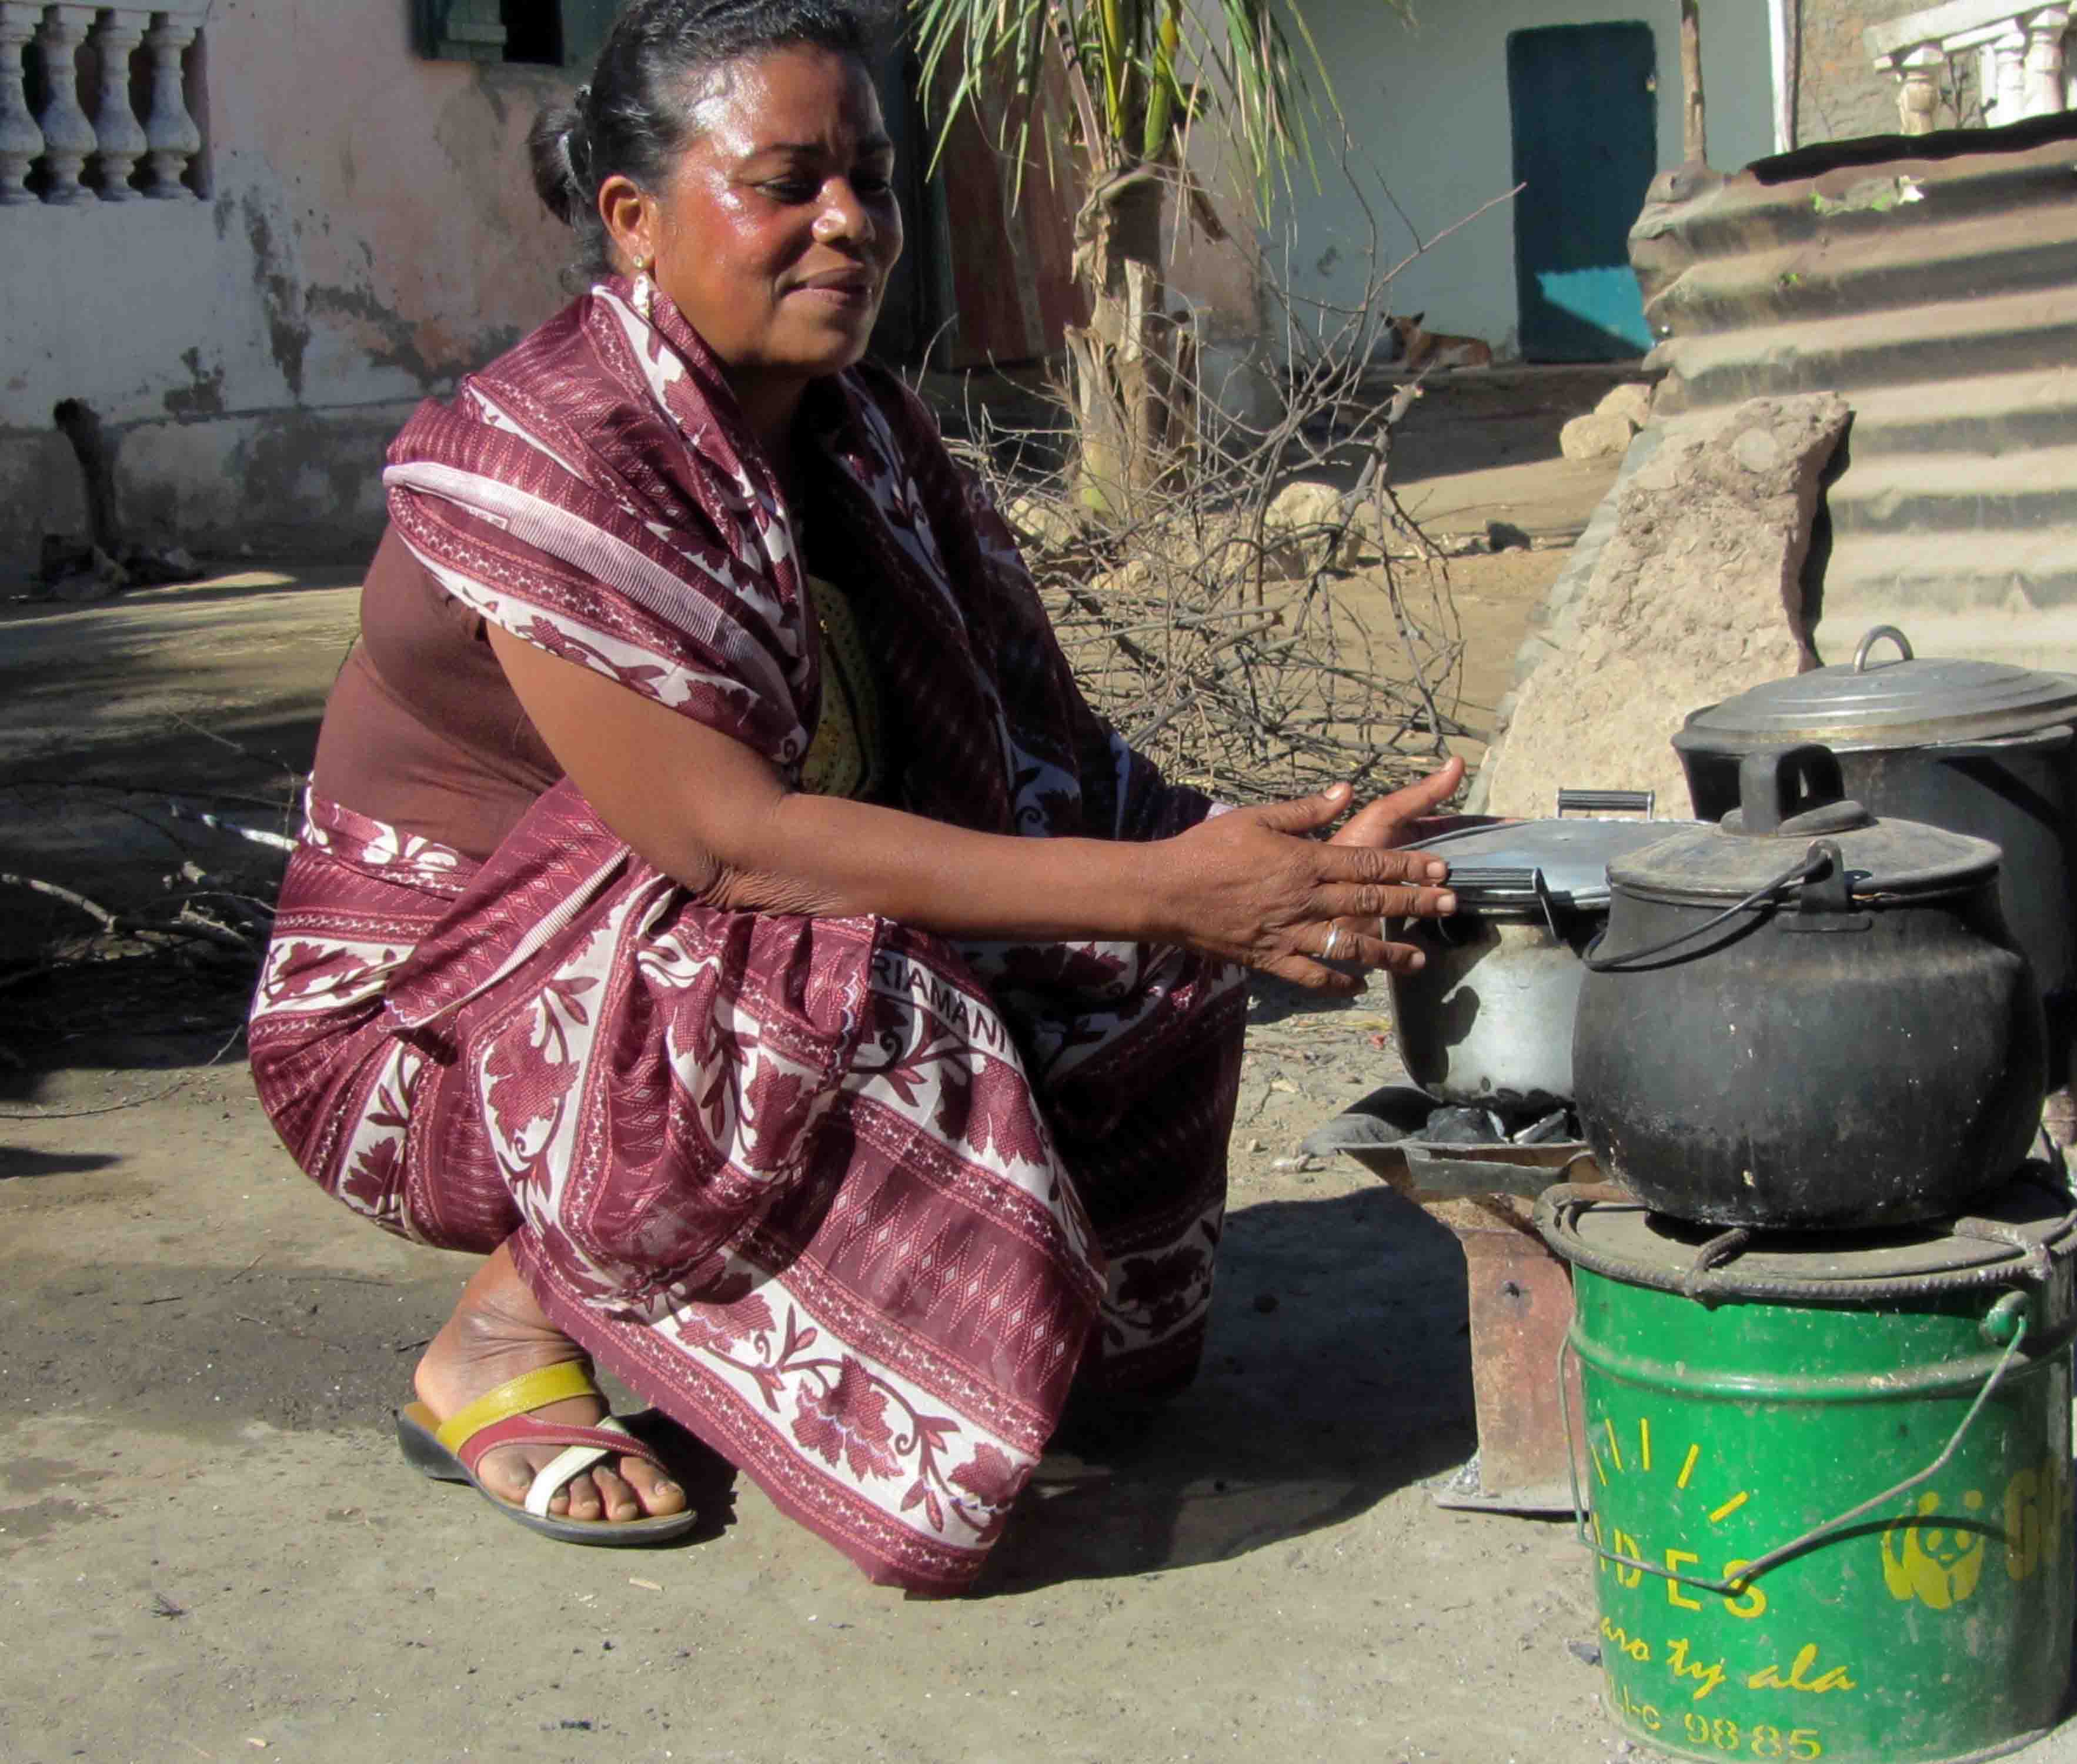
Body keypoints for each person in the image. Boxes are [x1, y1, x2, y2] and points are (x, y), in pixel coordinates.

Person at [247, 0, 1461, 1596]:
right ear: (634, 218)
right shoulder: (548, 456)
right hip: (421, 1037)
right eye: (786, 183)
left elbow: (1041, 759)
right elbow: (726, 844)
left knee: (1120, 935)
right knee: (836, 980)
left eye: (873, 181)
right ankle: (505, 1327)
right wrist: (1178, 888)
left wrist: (1281, 864)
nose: (852, 225)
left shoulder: (864, 433)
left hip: (666, 948)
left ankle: (958, 1313)